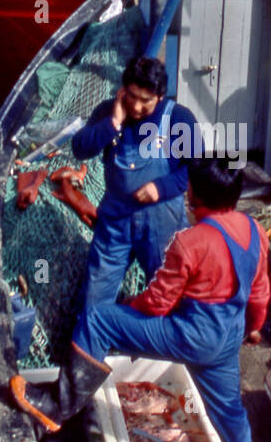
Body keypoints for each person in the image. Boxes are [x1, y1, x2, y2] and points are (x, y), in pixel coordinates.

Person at [11, 158, 269, 442]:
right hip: (227, 338)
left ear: (195, 195)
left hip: (188, 334)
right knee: (230, 411)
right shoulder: (257, 231)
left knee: (98, 320)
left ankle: (56, 407)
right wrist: (254, 326)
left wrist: (128, 307)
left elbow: (158, 303)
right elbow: (259, 295)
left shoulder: (190, 241)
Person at [72, 55, 196, 309]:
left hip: (163, 227)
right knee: (93, 300)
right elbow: (79, 149)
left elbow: (194, 169)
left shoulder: (179, 119)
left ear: (160, 97)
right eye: (131, 96)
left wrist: (160, 188)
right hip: (115, 223)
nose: (137, 107)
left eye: (146, 101)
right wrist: (113, 123)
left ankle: (158, 345)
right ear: (122, 90)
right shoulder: (109, 112)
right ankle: (92, 343)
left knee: (171, 299)